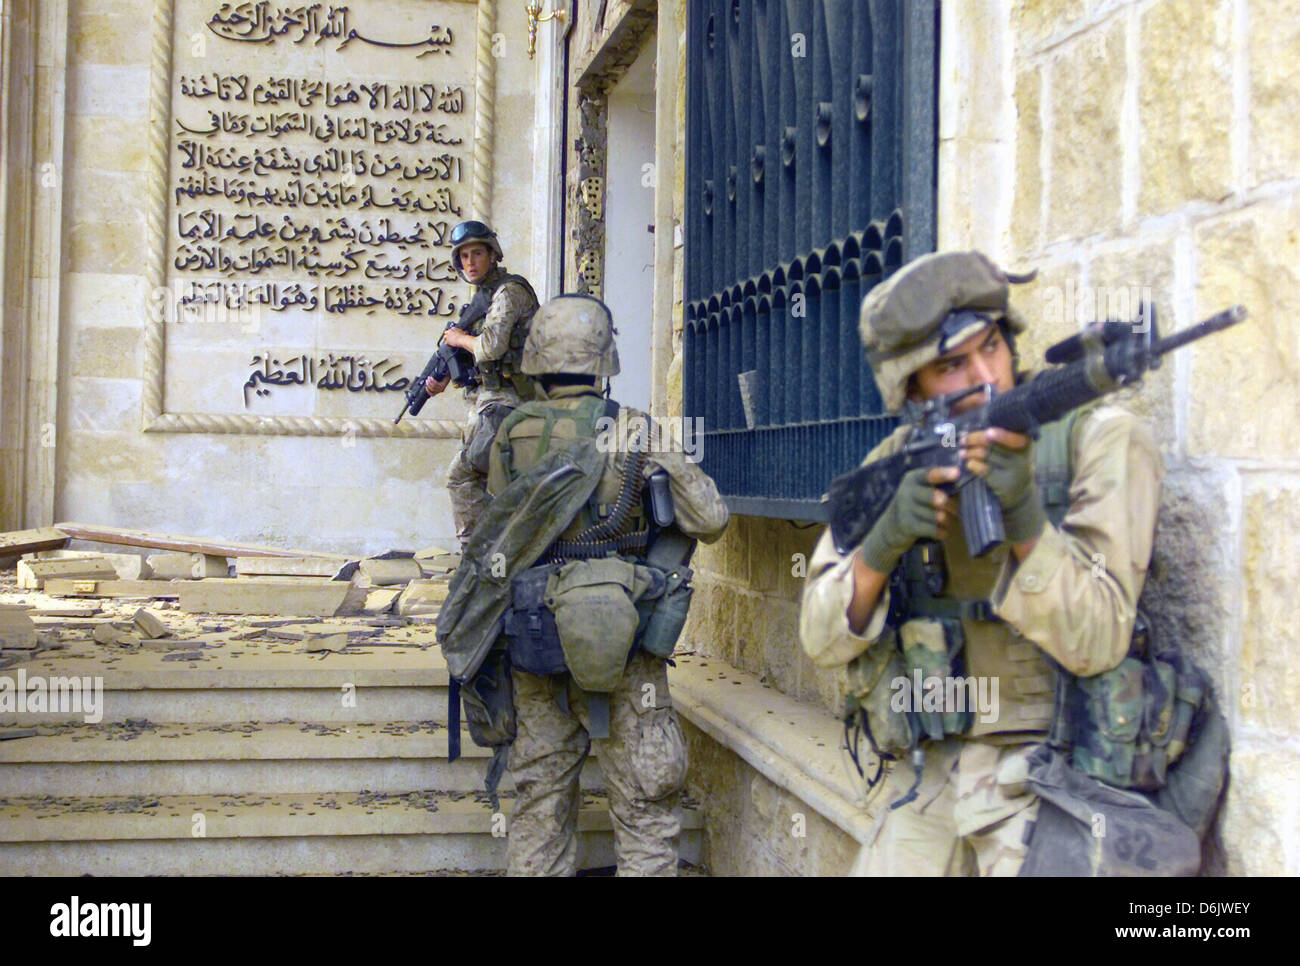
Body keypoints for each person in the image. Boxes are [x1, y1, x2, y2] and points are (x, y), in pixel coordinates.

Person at [799, 251, 1164, 876]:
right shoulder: (894, 461)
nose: (985, 379)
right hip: (932, 776)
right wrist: (881, 548)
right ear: (910, 389)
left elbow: (1101, 637)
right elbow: (819, 639)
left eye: (990, 347)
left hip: (1056, 776)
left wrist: (1023, 515)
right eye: (951, 365)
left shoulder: (1100, 437)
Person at [485, 294, 729, 876]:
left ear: (537, 362)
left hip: (538, 643)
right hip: (629, 643)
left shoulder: (511, 433)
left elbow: (493, 534)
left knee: (540, 808)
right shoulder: (638, 432)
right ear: (604, 360)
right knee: (646, 813)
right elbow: (711, 518)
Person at [426, 220, 540, 551]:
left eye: (477, 254)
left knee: (462, 477)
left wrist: (459, 338)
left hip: (511, 403)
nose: (470, 263)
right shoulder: (483, 300)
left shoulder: (509, 292)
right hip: (489, 404)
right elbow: (476, 361)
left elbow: (489, 347)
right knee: (494, 488)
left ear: (493, 255)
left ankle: (479, 562)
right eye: (463, 257)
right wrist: (442, 377)